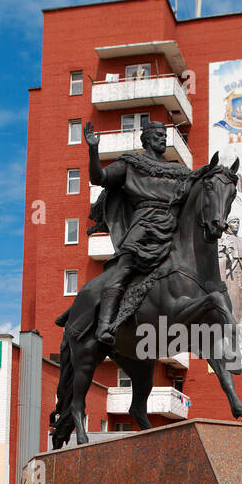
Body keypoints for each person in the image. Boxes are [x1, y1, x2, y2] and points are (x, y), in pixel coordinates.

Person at [84, 119, 193, 344]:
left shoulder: (179, 171)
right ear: (147, 139)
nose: (163, 139)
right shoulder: (131, 163)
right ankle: (104, 324)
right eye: (158, 135)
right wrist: (93, 150)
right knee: (123, 270)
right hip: (143, 225)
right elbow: (99, 178)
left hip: (173, 227)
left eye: (164, 136)